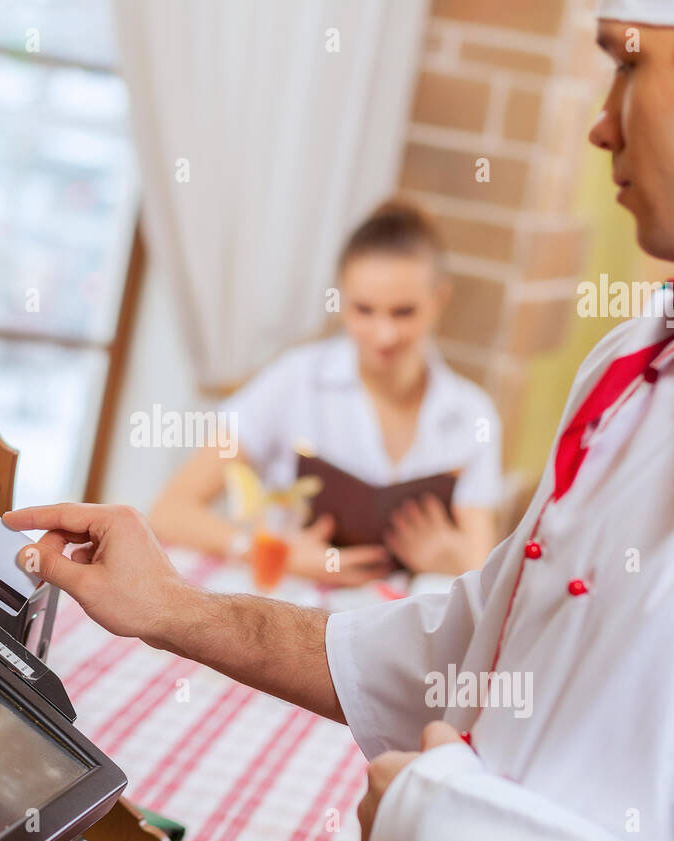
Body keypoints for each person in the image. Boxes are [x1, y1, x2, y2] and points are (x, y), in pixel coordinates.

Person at [5, 0, 674, 841]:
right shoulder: (641, 354)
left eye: (629, 65)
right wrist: (173, 609)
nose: (601, 124)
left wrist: (442, 830)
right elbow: (449, 646)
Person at [148, 202, 503, 583]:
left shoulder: (473, 415)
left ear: (439, 300)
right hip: (292, 613)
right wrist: (274, 551)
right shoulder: (294, 379)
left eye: (403, 313)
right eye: (364, 310)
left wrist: (453, 559)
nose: (384, 335)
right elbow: (170, 511)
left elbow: (482, 568)